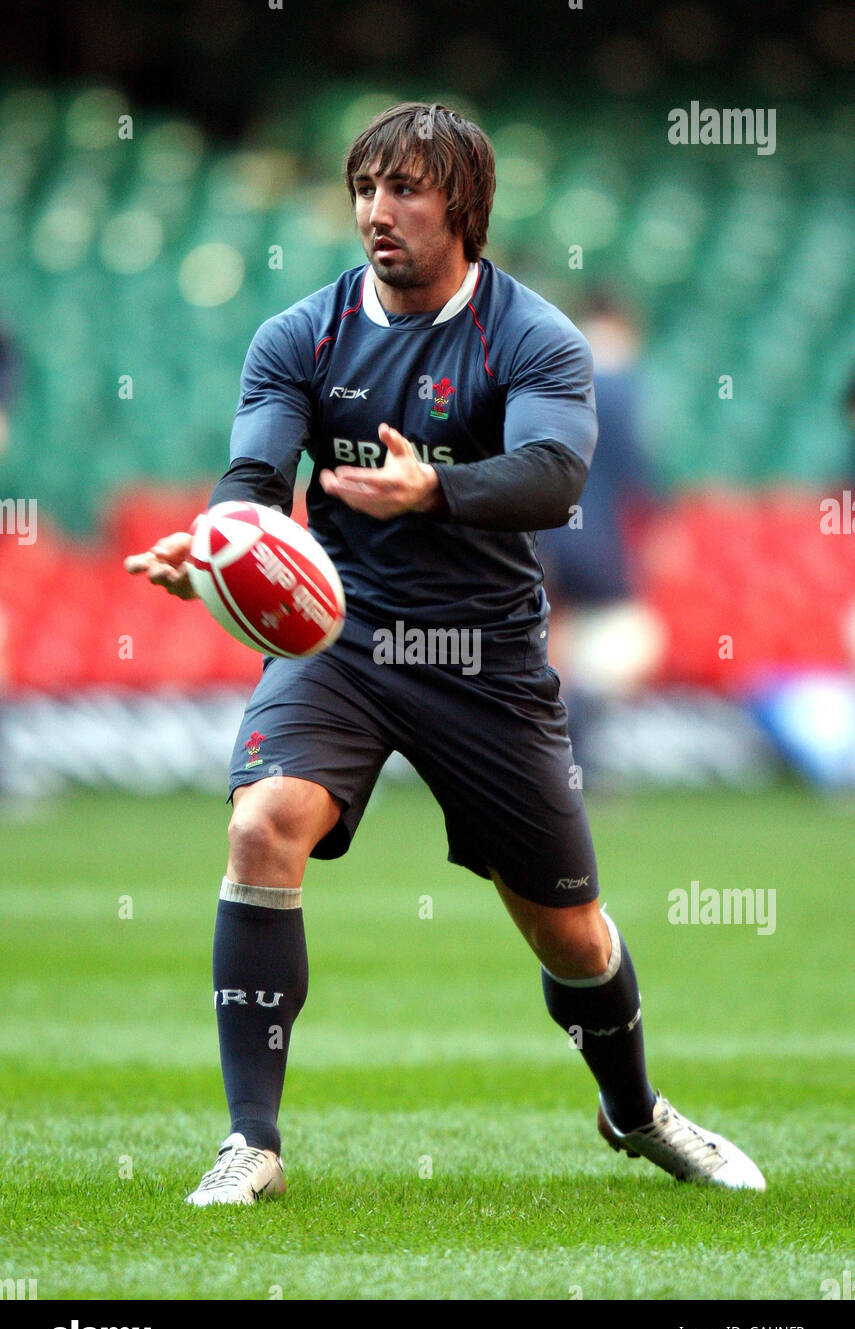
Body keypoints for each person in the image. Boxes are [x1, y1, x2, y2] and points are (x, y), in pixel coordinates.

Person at [126, 102, 764, 1204]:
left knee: (568, 931)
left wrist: (436, 486)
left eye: (406, 190)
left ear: (462, 207)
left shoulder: (533, 335)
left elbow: (555, 473)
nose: (378, 211)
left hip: (487, 656)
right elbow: (250, 484)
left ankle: (634, 1109)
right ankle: (252, 1142)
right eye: (366, 189)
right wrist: (216, 550)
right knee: (261, 821)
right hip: (342, 637)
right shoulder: (299, 336)